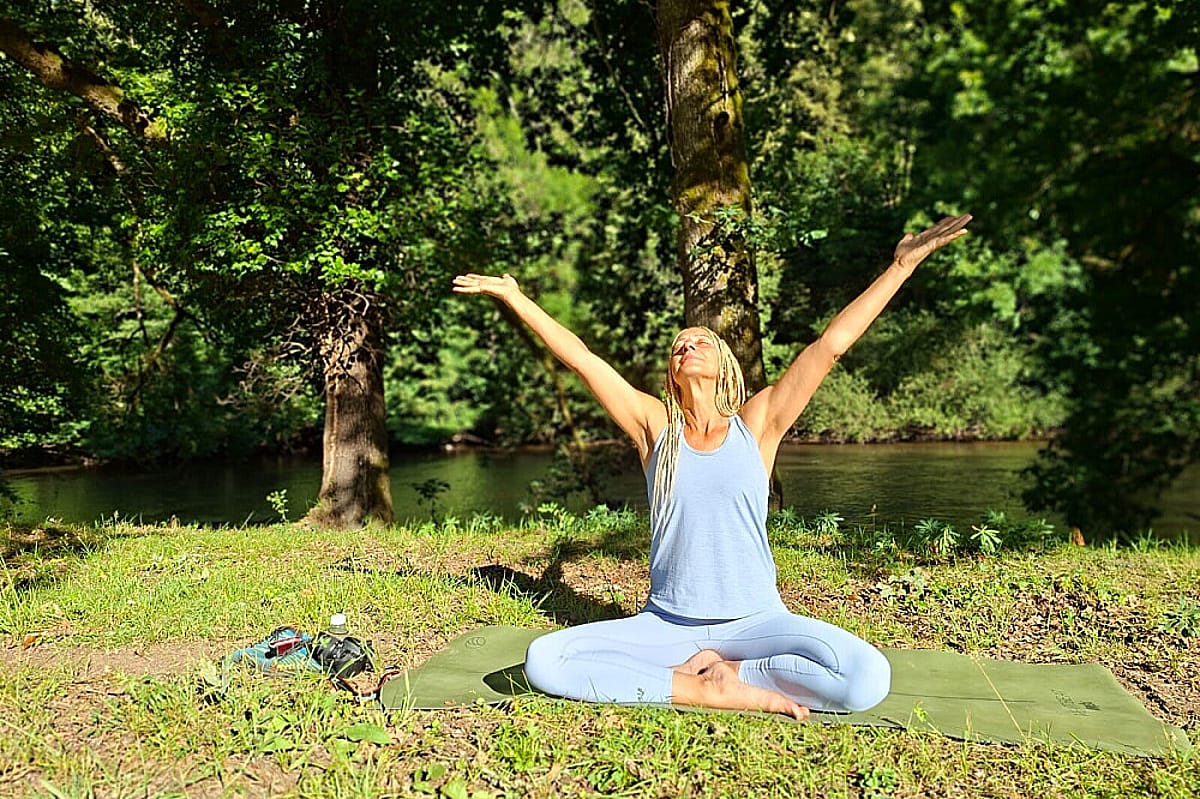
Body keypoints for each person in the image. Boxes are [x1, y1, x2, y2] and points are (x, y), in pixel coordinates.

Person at [452, 213, 971, 720]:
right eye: (678, 347)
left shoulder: (759, 423)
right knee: (545, 660)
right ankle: (702, 691)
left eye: (700, 341)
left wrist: (901, 267)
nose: (686, 347)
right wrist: (516, 298)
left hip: (756, 621)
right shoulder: (655, 427)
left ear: (725, 363)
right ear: (672, 374)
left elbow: (829, 346)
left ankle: (734, 673)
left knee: (866, 677)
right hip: (667, 625)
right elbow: (584, 359)